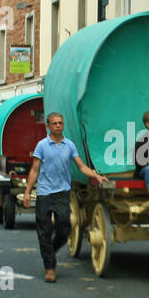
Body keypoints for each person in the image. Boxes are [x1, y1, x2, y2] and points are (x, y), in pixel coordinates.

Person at [24, 112, 108, 282]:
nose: (57, 126)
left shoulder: (69, 145)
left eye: (60, 123)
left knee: (65, 227)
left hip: (62, 192)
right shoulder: (41, 145)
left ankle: (50, 252)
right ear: (48, 126)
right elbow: (34, 169)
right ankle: (50, 267)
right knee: (44, 232)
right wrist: (27, 191)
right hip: (44, 193)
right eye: (54, 123)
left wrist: (96, 176)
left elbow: (82, 166)